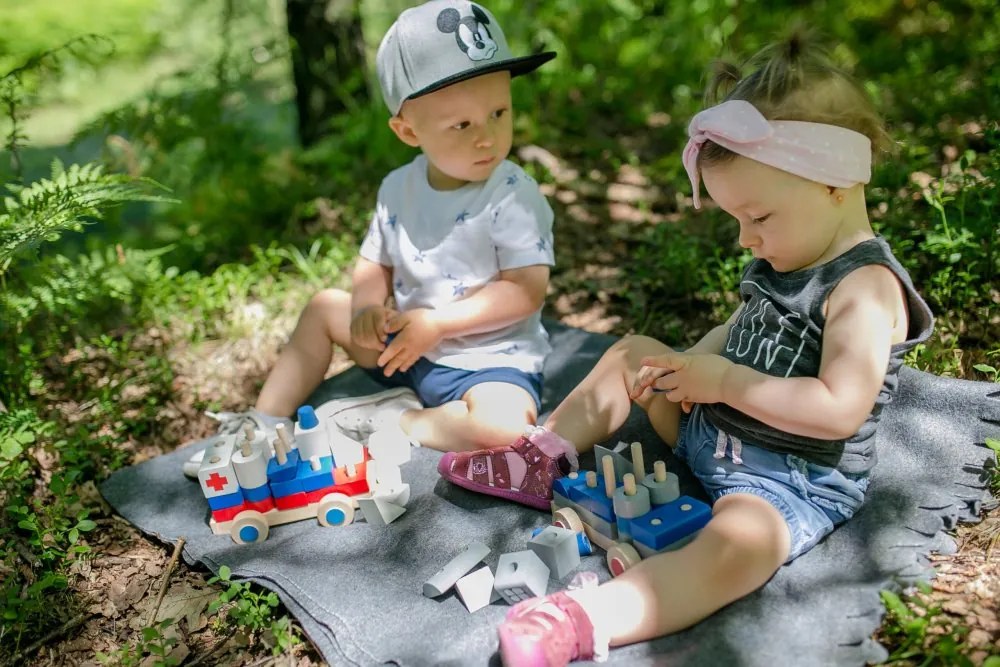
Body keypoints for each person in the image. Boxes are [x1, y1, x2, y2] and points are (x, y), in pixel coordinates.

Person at [437, 31, 934, 665]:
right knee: (632, 351)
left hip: (788, 478)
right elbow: (747, 329)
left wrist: (722, 383)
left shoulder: (865, 285)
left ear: (834, 185)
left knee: (741, 547)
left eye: (758, 217)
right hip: (714, 432)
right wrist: (688, 364)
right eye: (737, 220)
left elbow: (839, 408)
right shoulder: (788, 252)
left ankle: (588, 619)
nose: (744, 237)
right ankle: (541, 456)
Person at [183, 0, 558, 476]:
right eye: (461, 124)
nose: (486, 136)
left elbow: (525, 290)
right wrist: (365, 309)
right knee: (324, 307)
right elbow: (374, 263)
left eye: (499, 112)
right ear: (407, 131)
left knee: (505, 430)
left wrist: (439, 325)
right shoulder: (398, 188)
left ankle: (399, 420)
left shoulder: (513, 193)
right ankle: (261, 424)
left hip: (486, 358)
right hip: (402, 343)